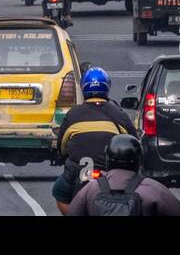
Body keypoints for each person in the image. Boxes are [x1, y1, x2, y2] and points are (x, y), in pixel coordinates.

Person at [51, 67, 137, 214]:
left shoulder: (73, 114)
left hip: (78, 170)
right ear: (107, 87)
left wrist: (63, 155)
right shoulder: (118, 113)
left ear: (83, 88)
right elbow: (133, 141)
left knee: (59, 193)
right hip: (110, 171)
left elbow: (61, 147)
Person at [66, 134, 180, 217]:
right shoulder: (155, 190)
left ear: (108, 158)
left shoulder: (90, 189)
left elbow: (73, 212)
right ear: (139, 160)